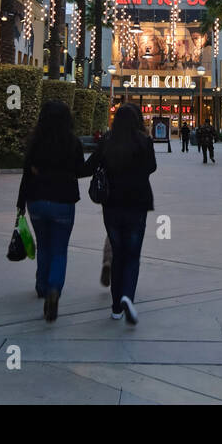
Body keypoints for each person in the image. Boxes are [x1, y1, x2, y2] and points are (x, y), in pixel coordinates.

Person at [84, 103, 156, 324]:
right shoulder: (144, 141)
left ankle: (115, 307)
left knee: (118, 253)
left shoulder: (107, 140)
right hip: (137, 204)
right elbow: (151, 167)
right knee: (132, 256)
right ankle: (127, 297)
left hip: (112, 205)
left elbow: (88, 167)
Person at [18, 100, 88, 322]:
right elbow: (80, 170)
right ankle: (54, 288)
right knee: (59, 248)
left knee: (44, 245)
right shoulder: (72, 142)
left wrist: (20, 203)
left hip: (37, 200)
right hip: (63, 201)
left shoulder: (35, 142)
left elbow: (26, 173)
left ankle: (42, 285)